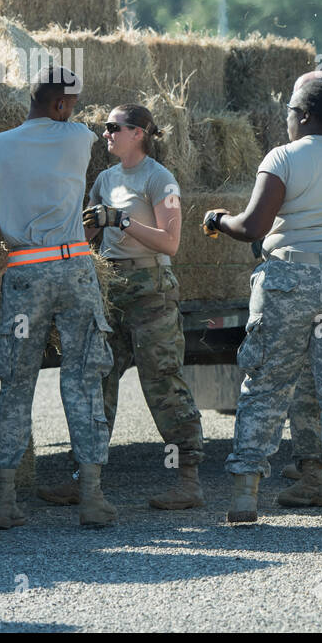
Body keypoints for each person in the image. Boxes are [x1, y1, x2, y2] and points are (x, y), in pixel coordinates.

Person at [208, 71, 322, 529]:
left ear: (303, 115)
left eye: (289, 111)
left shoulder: (282, 157)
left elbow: (252, 227)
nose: (286, 119)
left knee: (266, 385)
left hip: (288, 278)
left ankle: (245, 498)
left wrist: (219, 219)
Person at [0, 64, 116, 529]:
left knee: (16, 383)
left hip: (24, 274)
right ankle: (92, 498)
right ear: (60, 104)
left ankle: (3, 500)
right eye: (72, 104)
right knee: (83, 378)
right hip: (73, 269)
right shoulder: (79, 139)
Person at [36, 104, 206, 511]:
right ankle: (84, 480)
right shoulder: (105, 179)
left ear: (138, 133)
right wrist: (83, 224)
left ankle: (188, 482)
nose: (106, 133)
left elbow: (170, 243)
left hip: (151, 290)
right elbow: (88, 235)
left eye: (114, 127)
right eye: (105, 127)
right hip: (111, 288)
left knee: (162, 382)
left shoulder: (159, 178)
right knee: (98, 382)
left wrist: (122, 220)